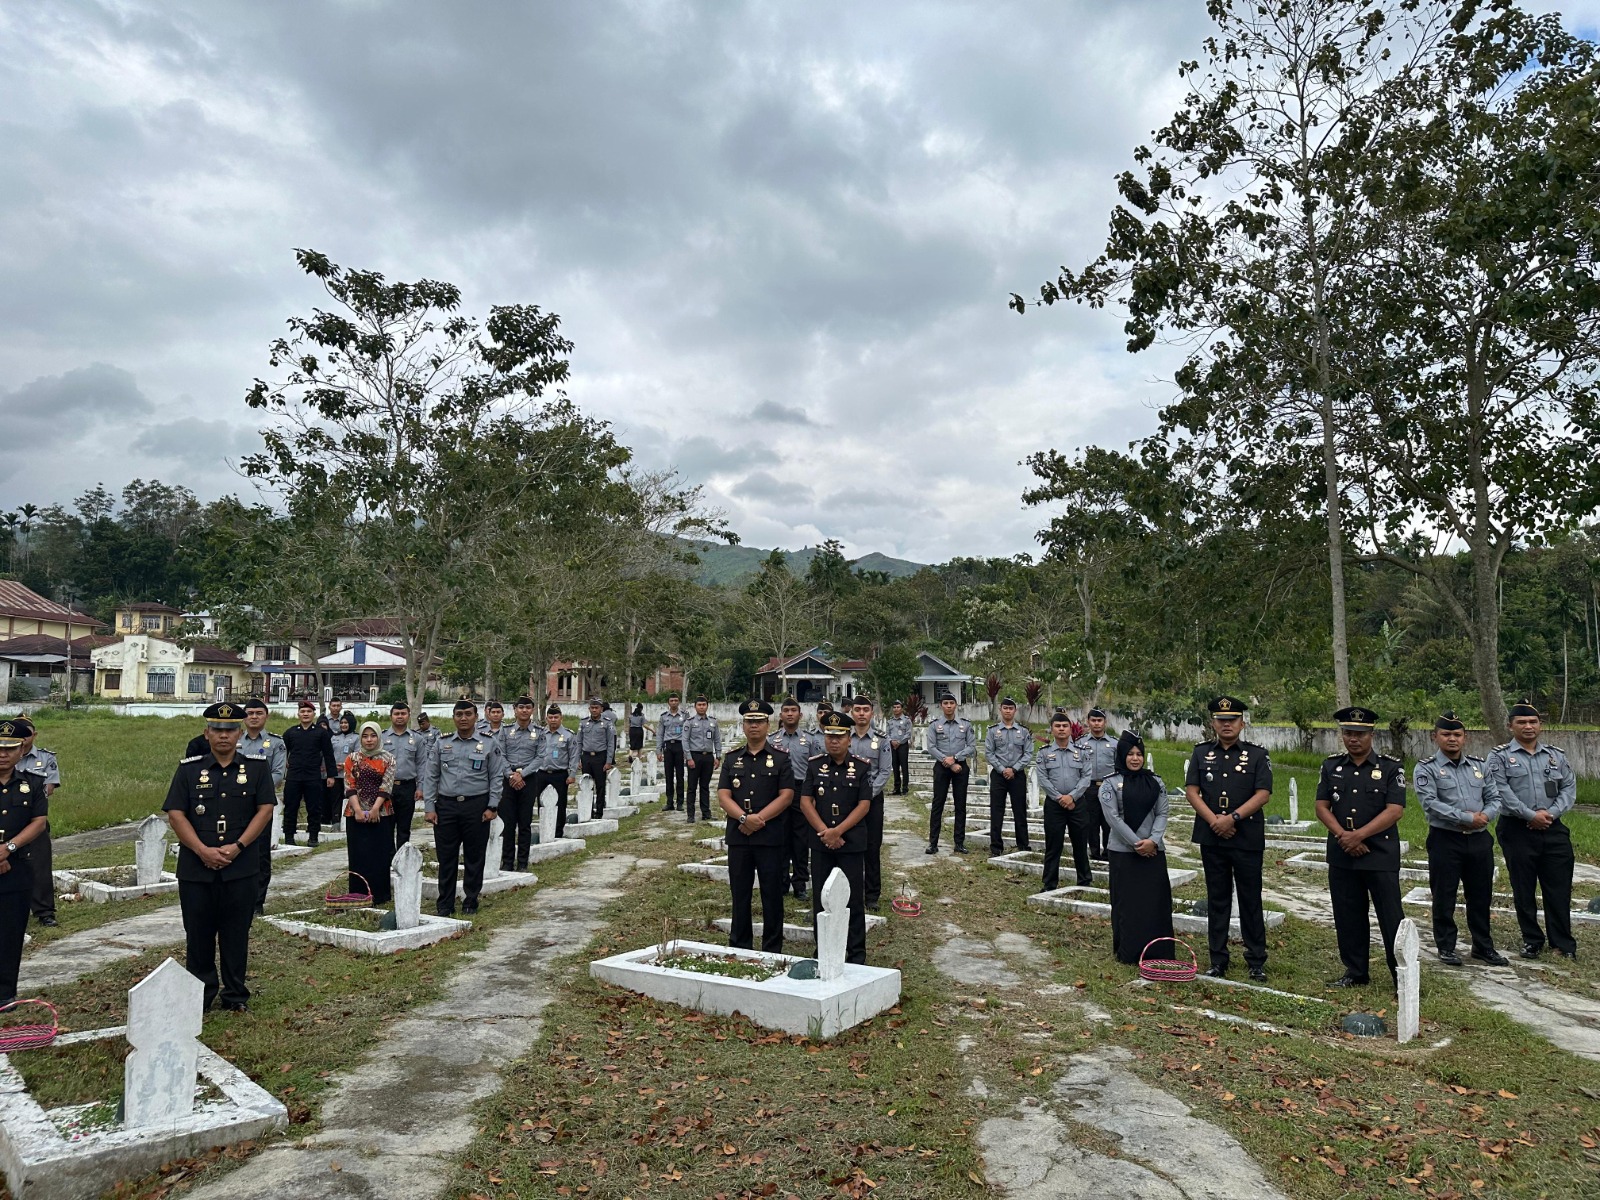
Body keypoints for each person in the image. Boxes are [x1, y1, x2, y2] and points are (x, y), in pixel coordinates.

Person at [163, 702, 276, 1012]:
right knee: (198, 935)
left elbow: (265, 809)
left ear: (239, 733)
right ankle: (200, 994)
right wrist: (202, 850)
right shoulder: (189, 769)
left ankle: (235, 995)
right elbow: (175, 813)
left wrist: (238, 847)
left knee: (236, 933)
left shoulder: (256, 768)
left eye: (229, 730)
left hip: (240, 868)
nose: (223, 735)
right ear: (206, 733)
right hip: (196, 870)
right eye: (217, 729)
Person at [1316, 705, 1407, 988]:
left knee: (1390, 917)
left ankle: (1400, 976)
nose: (1353, 739)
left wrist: (1360, 835)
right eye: (1348, 733)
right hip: (1343, 853)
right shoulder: (1332, 766)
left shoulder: (1391, 767)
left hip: (1379, 853)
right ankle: (1356, 972)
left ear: (1371, 735)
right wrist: (1344, 835)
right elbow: (1321, 806)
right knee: (1348, 915)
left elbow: (1395, 810)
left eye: (1360, 734)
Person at [1184, 696, 1273, 981]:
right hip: (1213, 837)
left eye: (1232, 720)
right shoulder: (1200, 753)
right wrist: (1215, 821)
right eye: (1221, 720)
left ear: (1242, 724)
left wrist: (1232, 819)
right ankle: (1218, 959)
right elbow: (1192, 791)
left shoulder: (1257, 755)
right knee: (1218, 898)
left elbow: (1263, 794)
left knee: (1250, 898)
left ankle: (1256, 959)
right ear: (1213, 723)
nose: (1226, 725)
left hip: (1245, 836)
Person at [1416, 711, 1508, 967]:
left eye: (1457, 734)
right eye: (1446, 734)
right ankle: (1446, 946)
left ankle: (1482, 946)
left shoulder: (1480, 766)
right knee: (1444, 895)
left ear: (1465, 738)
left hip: (1479, 839)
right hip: (1446, 840)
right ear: (1435, 737)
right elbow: (1430, 803)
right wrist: (1467, 818)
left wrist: (1484, 817)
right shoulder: (1427, 768)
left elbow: (1495, 798)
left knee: (1480, 895)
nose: (1452, 739)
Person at [1487, 699, 1578, 960]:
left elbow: (1568, 788)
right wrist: (1529, 815)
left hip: (1553, 827)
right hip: (1517, 829)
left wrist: (1550, 814)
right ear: (1511, 726)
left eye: (1533, 722)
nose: (1528, 726)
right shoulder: (1500, 756)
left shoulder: (1555, 755)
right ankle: (1532, 940)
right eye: (1522, 722)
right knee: (1523, 888)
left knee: (1558, 887)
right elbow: (1500, 790)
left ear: (1540, 725)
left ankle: (1562, 942)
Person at [719, 699, 796, 953]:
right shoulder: (731, 759)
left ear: (769, 725)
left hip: (770, 837)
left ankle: (772, 948)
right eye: (750, 721)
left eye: (759, 721)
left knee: (772, 895)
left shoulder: (781, 758)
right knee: (740, 894)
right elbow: (723, 796)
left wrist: (758, 819)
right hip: (739, 838)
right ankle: (740, 945)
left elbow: (786, 796)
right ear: (743, 725)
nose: (754, 726)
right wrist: (744, 818)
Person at [800, 711, 874, 964]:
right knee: (821, 899)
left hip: (850, 842)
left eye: (840, 736)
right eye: (829, 735)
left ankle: (855, 955)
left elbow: (864, 805)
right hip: (822, 843)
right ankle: (823, 951)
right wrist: (825, 832)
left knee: (853, 899)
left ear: (849, 739)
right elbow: (806, 802)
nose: (834, 741)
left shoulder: (862, 767)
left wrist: (838, 832)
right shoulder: (814, 765)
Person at [1101, 731, 1176, 965]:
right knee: (1127, 904)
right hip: (1124, 852)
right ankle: (1130, 951)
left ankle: (1158, 950)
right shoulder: (1110, 783)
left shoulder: (1155, 781)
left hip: (1154, 851)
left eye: (1139, 754)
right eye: (1130, 754)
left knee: (1155, 903)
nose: (1135, 759)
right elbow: (1113, 818)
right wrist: (1137, 844)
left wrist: (1153, 840)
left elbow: (1163, 812)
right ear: (1121, 756)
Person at [424, 700, 503, 917]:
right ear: (454, 718)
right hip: (446, 806)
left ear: (476, 717)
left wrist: (492, 805)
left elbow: (496, 776)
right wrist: (429, 807)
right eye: (459, 714)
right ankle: (445, 903)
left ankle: (470, 899)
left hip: (476, 806)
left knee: (474, 856)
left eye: (468, 714)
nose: (464, 718)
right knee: (446, 857)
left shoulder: (489, 743)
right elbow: (431, 776)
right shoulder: (441, 743)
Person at [0, 718, 50, 1007]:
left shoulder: (33, 784)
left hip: (17, 867)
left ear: (22, 751)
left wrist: (8, 848)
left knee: (10, 931)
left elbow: (39, 822)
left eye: (10, 748)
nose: (3, 754)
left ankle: (6, 994)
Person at [238, 698, 286, 916]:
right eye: (249, 713)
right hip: (236, 803)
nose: (254, 717)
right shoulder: (236, 741)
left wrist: (256, 792)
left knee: (260, 853)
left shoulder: (276, 743)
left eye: (259, 713)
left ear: (266, 716)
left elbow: (278, 773)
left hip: (261, 805)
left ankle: (257, 902)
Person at [770, 698, 821, 901]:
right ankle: (781, 882)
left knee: (801, 840)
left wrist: (814, 796)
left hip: (801, 792)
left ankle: (800, 883)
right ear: (780, 715)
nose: (790, 714)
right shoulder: (772, 740)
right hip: (779, 792)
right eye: (786, 710)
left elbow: (816, 770)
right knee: (780, 838)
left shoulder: (810, 741)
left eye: (793, 710)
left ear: (800, 715)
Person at [1036, 711, 1092, 891]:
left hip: (1077, 804)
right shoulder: (1044, 753)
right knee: (1053, 845)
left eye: (1064, 726)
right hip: (1055, 805)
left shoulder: (1081, 752)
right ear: (1052, 730)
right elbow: (1043, 778)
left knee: (1080, 844)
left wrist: (1072, 796)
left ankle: (1084, 881)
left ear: (1070, 729)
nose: (1061, 729)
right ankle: (1049, 883)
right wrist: (1060, 798)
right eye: (1057, 726)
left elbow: (1086, 777)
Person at [342, 721, 396, 904]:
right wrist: (358, 809)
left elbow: (386, 786)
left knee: (379, 854)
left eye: (373, 736)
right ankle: (358, 894)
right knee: (358, 854)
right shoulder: (352, 758)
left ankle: (380, 895)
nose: (369, 740)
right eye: (365, 736)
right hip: (354, 813)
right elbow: (350, 785)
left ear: (379, 737)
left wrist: (375, 809)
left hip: (382, 813)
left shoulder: (388, 758)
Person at [848, 696, 893, 910]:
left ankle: (872, 894)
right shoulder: (844, 737)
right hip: (846, 800)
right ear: (852, 713)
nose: (861, 713)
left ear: (872, 713)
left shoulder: (881, 739)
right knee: (848, 845)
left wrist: (866, 795)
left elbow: (884, 772)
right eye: (857, 709)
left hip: (872, 800)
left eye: (866, 709)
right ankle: (850, 891)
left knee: (872, 846)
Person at [17, 721, 60, 929]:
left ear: (34, 735)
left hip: (34, 817)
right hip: (6, 819)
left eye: (27, 734)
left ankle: (44, 911)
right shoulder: (5, 756)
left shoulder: (45, 757)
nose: (23, 738)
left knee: (40, 865)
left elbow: (48, 789)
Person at [924, 692, 975, 854]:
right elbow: (931, 747)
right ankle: (933, 843)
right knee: (937, 804)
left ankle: (959, 843)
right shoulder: (934, 725)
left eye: (951, 703)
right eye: (945, 703)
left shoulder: (965, 725)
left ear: (956, 705)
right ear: (941, 706)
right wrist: (947, 761)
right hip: (941, 767)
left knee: (960, 805)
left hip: (960, 767)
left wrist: (955, 758)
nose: (948, 706)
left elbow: (971, 746)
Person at [282, 699, 337, 845]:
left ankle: (313, 836)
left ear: (313, 714)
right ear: (298, 714)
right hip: (293, 776)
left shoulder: (321, 733)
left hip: (313, 776)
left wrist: (331, 775)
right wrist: (284, 765)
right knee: (290, 806)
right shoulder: (290, 732)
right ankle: (289, 836)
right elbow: (282, 752)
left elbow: (328, 754)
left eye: (308, 711)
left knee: (314, 807)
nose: (305, 714)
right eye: (302, 711)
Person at [985, 697, 1035, 855]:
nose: (1008, 711)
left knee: (1020, 810)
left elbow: (1028, 753)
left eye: (1010, 708)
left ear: (1015, 710)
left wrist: (1014, 769)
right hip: (999, 775)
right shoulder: (992, 731)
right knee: (996, 811)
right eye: (1005, 708)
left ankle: (1023, 845)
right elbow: (989, 753)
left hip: (1017, 775)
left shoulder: (1023, 731)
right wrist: (1002, 769)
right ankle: (996, 847)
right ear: (1000, 709)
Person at [499, 698, 540, 869]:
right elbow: (500, 755)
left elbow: (540, 757)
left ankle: (522, 862)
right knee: (507, 823)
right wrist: (511, 775)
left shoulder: (540, 732)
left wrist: (521, 774)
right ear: (514, 709)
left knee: (525, 823)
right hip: (508, 780)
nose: (524, 710)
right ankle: (507, 862)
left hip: (528, 780)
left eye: (527, 707)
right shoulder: (505, 730)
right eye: (520, 707)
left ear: (532, 710)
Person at [380, 702, 426, 850]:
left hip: (408, 787)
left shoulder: (417, 739)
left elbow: (421, 764)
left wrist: (421, 787)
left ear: (408, 715)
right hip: (386, 787)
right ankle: (388, 857)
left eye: (403, 714)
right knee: (386, 825)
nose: (400, 717)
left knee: (404, 826)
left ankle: (402, 857)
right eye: (396, 714)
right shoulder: (381, 737)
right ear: (391, 716)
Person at [1073, 709, 1117, 861]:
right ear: (1088, 722)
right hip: (1089, 787)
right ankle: (1094, 852)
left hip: (1109, 787)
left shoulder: (1114, 743)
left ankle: (1109, 851)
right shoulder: (1080, 743)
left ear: (1105, 722)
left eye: (1100, 720)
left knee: (1108, 820)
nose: (1097, 723)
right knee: (1091, 821)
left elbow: (1119, 767)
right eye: (1093, 720)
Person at [532, 704, 579, 842]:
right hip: (542, 773)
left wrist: (572, 774)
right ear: (546, 718)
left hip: (560, 774)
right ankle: (545, 828)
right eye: (550, 717)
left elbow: (574, 756)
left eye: (556, 717)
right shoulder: (540, 734)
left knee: (560, 804)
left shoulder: (568, 735)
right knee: (542, 803)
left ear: (561, 718)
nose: (553, 720)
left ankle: (558, 831)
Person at [683, 696, 722, 822]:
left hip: (708, 757)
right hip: (694, 757)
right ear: (695, 706)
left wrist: (718, 756)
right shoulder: (689, 722)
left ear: (707, 706)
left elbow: (717, 739)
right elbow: (685, 741)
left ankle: (706, 813)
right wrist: (689, 758)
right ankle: (690, 815)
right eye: (699, 705)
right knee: (692, 787)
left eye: (704, 704)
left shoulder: (713, 722)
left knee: (705, 786)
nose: (701, 707)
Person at [576, 698, 614, 819]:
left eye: (596, 708)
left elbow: (611, 743)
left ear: (601, 709)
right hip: (586, 757)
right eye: (592, 708)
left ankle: (599, 811)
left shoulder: (607, 723)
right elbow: (578, 742)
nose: (594, 710)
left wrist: (609, 761)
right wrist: (578, 759)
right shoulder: (583, 723)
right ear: (589, 709)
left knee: (600, 785)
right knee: (587, 784)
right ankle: (588, 809)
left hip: (600, 757)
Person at [327, 712, 359, 831]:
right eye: (342, 723)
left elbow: (358, 755)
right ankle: (335, 823)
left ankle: (349, 823)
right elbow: (329, 754)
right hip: (335, 774)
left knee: (351, 798)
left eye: (346, 723)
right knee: (335, 799)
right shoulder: (334, 737)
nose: (343, 725)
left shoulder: (356, 738)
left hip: (350, 775)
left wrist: (346, 765)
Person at [657, 693, 688, 812]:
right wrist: (658, 750)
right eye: (671, 700)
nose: (674, 702)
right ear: (668, 703)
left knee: (680, 775)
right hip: (668, 747)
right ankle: (669, 802)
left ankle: (680, 802)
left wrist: (687, 750)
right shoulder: (664, 716)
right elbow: (660, 734)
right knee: (668, 775)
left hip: (680, 746)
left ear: (679, 702)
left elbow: (687, 734)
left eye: (676, 700)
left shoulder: (684, 715)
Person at [886, 700, 912, 795]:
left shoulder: (906, 720)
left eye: (898, 707)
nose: (896, 709)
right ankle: (896, 788)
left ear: (902, 709)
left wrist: (899, 742)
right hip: (892, 746)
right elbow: (887, 734)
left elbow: (908, 733)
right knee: (895, 767)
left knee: (904, 767)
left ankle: (905, 788)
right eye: (894, 707)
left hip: (902, 746)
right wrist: (891, 741)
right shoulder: (890, 721)